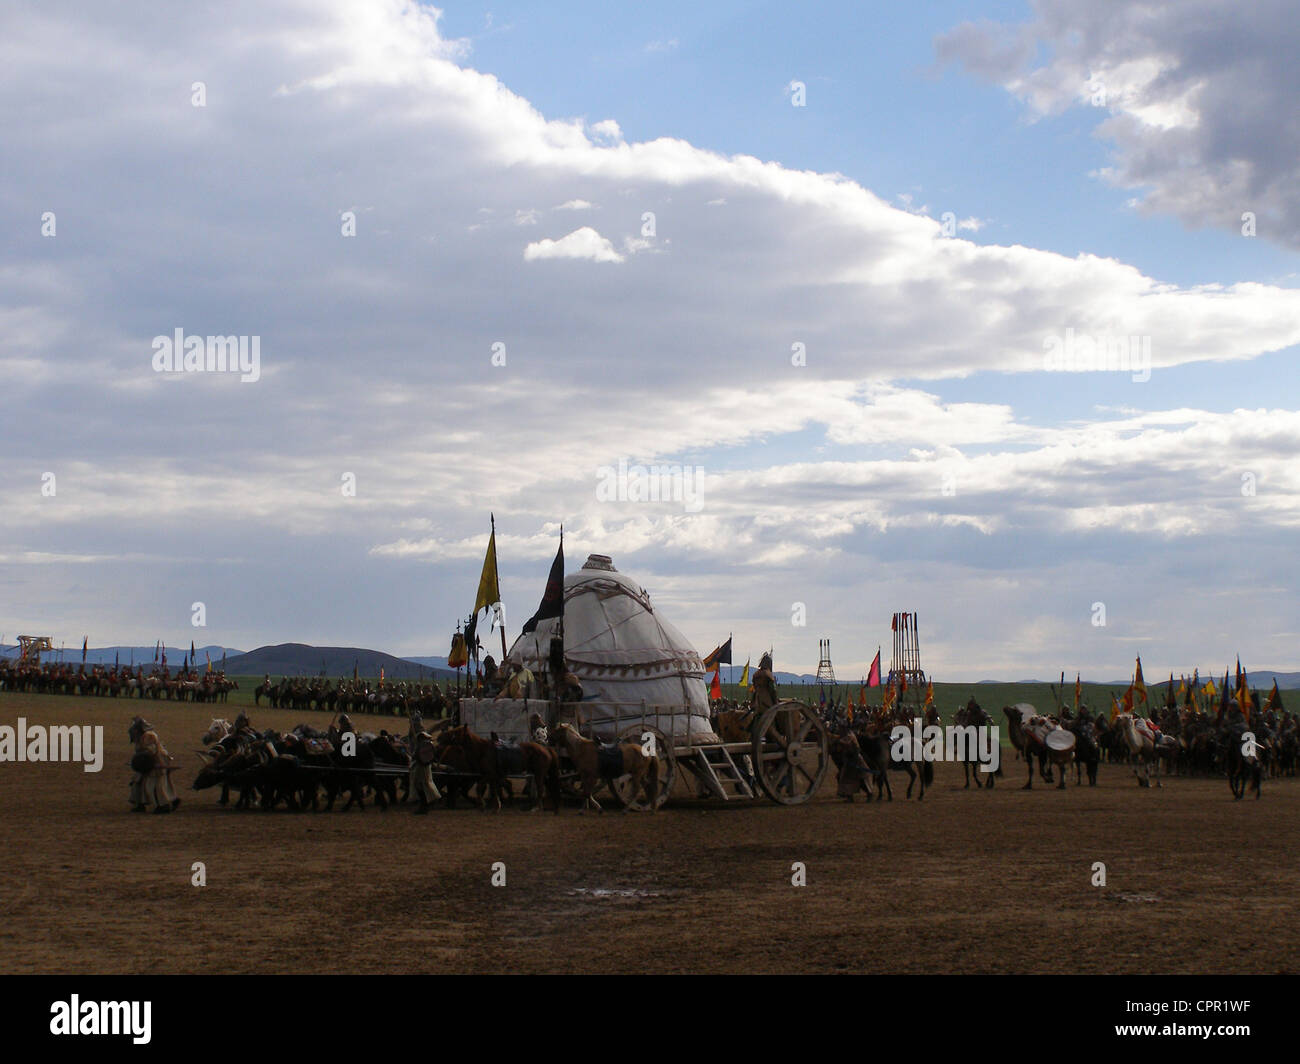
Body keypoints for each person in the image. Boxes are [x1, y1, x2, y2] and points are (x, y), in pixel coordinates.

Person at [128, 716, 180, 813]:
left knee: (154, 784)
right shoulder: (139, 737)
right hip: (147, 762)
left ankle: (164, 805)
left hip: (158, 760)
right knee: (137, 782)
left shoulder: (149, 736)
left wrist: (153, 764)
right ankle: (140, 804)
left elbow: (151, 752)